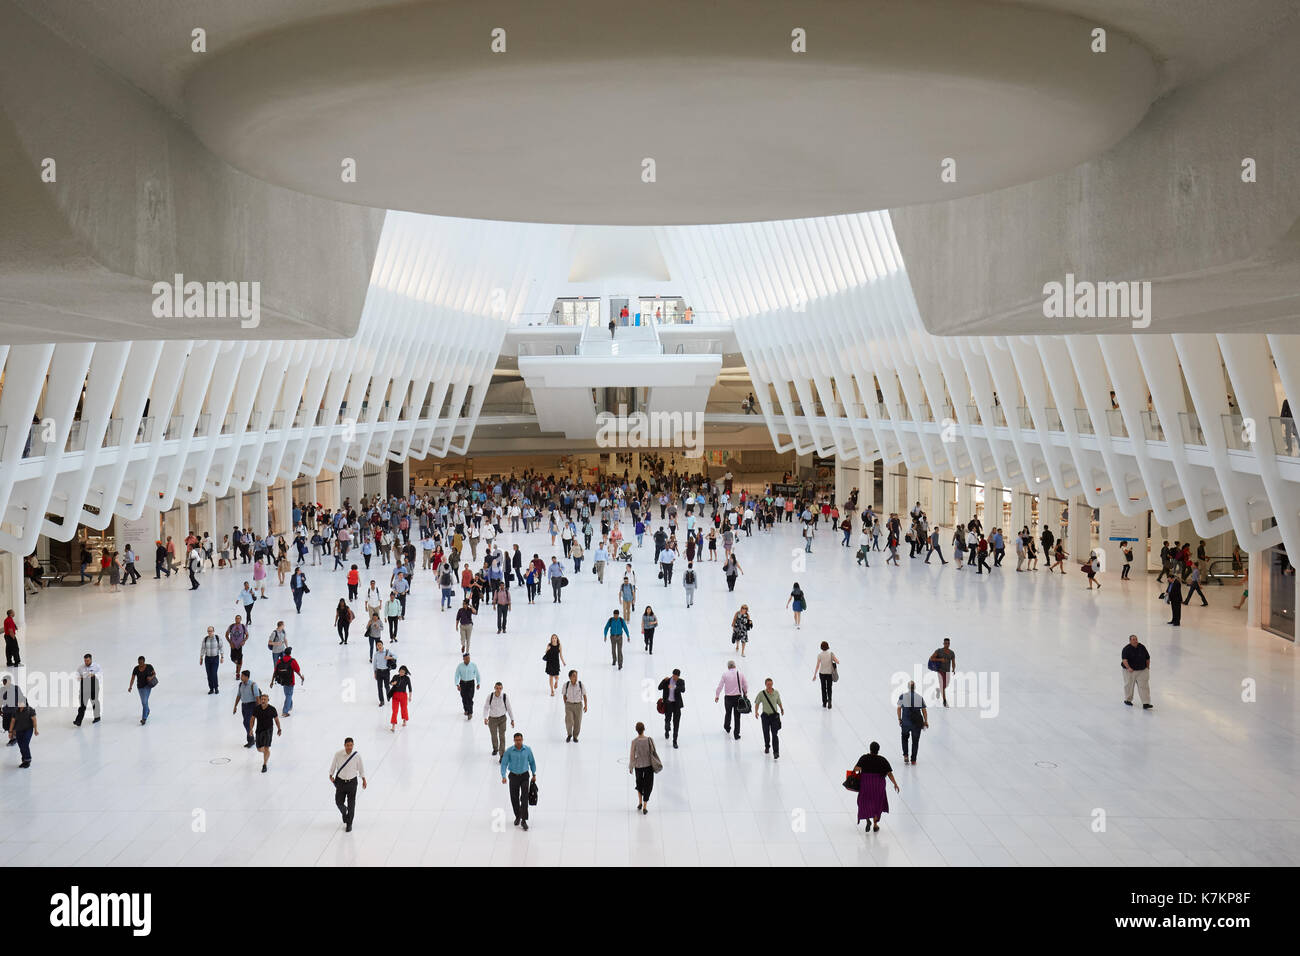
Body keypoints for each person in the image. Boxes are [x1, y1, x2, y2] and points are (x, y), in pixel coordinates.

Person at [853, 742, 899, 832]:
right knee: (877, 804)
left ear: (870, 749)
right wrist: (895, 783)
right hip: (878, 784)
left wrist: (862, 768)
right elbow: (889, 773)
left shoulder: (864, 758)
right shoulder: (882, 760)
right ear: (878, 750)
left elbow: (856, 769)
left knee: (864, 802)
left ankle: (867, 819)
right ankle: (875, 825)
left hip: (866, 783)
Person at [500, 732, 537, 830]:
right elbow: (504, 764)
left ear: (522, 740)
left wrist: (534, 774)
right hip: (513, 776)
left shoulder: (527, 750)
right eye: (516, 740)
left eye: (520, 740)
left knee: (524, 798)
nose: (518, 742)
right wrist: (503, 776)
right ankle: (518, 816)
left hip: (525, 776)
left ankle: (524, 820)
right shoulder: (509, 751)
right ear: (514, 741)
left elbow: (532, 762)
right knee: (514, 797)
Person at [329, 737, 367, 832]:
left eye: (351, 745)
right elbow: (333, 765)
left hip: (352, 783)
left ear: (353, 745)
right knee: (338, 802)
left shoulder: (357, 756)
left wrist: (363, 779)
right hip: (341, 782)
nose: (349, 747)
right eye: (347, 745)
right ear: (344, 745)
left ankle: (349, 824)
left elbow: (361, 768)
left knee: (351, 804)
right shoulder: (338, 754)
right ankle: (344, 811)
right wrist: (331, 774)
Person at [629, 722, 661, 814]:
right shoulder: (649, 740)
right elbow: (654, 751)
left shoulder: (634, 742)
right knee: (648, 785)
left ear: (636, 730)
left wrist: (631, 767)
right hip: (648, 766)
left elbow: (632, 756)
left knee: (639, 783)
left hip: (638, 766)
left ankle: (639, 802)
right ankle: (645, 806)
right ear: (644, 729)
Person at [714, 661, 748, 740]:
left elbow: (720, 686)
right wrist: (745, 693)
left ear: (728, 667)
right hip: (738, 697)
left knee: (728, 713)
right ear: (735, 666)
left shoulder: (725, 674)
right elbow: (745, 684)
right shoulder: (740, 673)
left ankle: (727, 727)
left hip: (728, 697)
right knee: (737, 716)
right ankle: (736, 734)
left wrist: (717, 695)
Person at [897, 680, 928, 764]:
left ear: (908, 687)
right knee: (915, 741)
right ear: (915, 687)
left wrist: (899, 719)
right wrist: (925, 721)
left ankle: (906, 755)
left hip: (906, 723)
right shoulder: (919, 697)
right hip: (916, 724)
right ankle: (913, 760)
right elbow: (924, 711)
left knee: (904, 738)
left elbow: (899, 708)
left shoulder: (902, 697)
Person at [249, 693, 281, 772]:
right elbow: (252, 719)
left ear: (268, 700)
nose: (263, 701)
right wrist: (251, 729)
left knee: (266, 747)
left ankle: (264, 764)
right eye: (262, 699)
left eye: (264, 699)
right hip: (259, 730)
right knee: (259, 749)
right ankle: (266, 752)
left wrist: (279, 729)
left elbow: (276, 720)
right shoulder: (257, 709)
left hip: (268, 730)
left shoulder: (272, 709)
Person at [754, 677, 785, 758]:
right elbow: (757, 703)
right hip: (765, 716)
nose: (770, 686)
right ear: (765, 685)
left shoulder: (776, 693)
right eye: (768, 684)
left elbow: (779, 702)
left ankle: (776, 752)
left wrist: (781, 709)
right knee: (766, 732)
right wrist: (756, 711)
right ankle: (767, 746)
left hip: (774, 717)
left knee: (775, 734)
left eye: (771, 684)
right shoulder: (761, 694)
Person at [483, 681, 515, 755]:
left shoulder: (504, 696)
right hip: (492, 719)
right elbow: (486, 707)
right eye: (497, 688)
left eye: (500, 688)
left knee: (502, 736)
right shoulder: (490, 696)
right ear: (494, 688)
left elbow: (509, 708)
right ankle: (495, 748)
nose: (498, 690)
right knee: (494, 735)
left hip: (502, 719)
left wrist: (512, 719)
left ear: (502, 689)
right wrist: (485, 717)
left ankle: (502, 753)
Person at [1122, 634, 1153, 709]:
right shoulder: (1126, 649)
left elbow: (1147, 658)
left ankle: (1146, 703)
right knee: (1129, 685)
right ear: (1130, 641)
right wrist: (1128, 668)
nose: (1135, 641)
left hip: (1142, 670)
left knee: (1144, 686)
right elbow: (1124, 660)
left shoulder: (1141, 647)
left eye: (1136, 639)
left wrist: (1147, 667)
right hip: (1130, 671)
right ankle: (1128, 700)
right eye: (1133, 639)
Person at [233, 670, 262, 747]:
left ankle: (251, 739)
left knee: (247, 722)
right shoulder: (240, 685)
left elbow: (257, 697)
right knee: (247, 723)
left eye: (242, 676)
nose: (241, 677)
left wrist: (259, 709)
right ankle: (251, 737)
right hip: (244, 706)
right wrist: (235, 706)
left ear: (246, 677)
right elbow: (239, 695)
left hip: (251, 706)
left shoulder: (253, 685)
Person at [272, 647, 304, 716]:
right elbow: (297, 670)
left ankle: (289, 706)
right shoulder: (292, 661)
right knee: (289, 695)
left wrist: (272, 681)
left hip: (283, 680)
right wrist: (301, 676)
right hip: (290, 681)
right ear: (290, 653)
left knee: (288, 694)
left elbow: (275, 671)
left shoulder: (280, 661)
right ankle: (285, 711)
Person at [7, 698, 37, 768]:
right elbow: (13, 721)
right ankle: (24, 758)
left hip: (28, 730)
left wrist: (35, 729)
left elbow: (34, 720)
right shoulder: (16, 711)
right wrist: (10, 731)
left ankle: (27, 759)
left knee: (24, 743)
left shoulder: (30, 710)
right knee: (21, 745)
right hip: (18, 731)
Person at [126, 656, 157, 725]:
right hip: (140, 687)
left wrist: (151, 677)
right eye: (139, 662)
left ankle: (144, 718)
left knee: (144, 701)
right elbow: (133, 678)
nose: (140, 664)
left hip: (148, 686)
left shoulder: (149, 666)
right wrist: (130, 687)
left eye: (141, 662)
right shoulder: (136, 669)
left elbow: (154, 674)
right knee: (144, 702)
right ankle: (147, 710)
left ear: (144, 662)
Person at [74, 653, 103, 726]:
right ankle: (78, 721)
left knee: (94, 702)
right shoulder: (81, 667)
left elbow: (100, 674)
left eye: (88, 661)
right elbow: (77, 675)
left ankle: (97, 717)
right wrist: (79, 677)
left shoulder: (96, 666)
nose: (86, 662)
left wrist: (94, 675)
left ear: (91, 659)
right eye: (85, 661)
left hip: (94, 687)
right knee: (82, 705)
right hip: (84, 687)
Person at [561, 669, 588, 742]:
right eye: (573, 676)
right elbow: (564, 695)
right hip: (569, 705)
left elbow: (584, 695)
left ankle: (575, 736)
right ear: (570, 677)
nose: (575, 677)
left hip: (578, 705)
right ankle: (569, 734)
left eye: (576, 676)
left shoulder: (580, 684)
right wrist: (566, 704)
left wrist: (586, 705)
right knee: (569, 720)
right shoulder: (566, 685)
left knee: (577, 722)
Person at [928, 638, 956, 707]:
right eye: (945, 643)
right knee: (942, 685)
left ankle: (938, 690)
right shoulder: (939, 651)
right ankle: (944, 701)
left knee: (946, 685)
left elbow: (953, 662)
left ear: (949, 644)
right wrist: (940, 659)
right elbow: (931, 658)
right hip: (940, 670)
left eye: (948, 643)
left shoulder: (951, 653)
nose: (947, 645)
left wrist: (953, 669)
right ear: (943, 643)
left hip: (947, 671)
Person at [454, 652, 480, 719]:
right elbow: (456, 676)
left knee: (469, 698)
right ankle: (466, 709)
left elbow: (477, 674)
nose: (468, 659)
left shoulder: (473, 665)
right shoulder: (460, 666)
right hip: (463, 683)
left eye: (469, 658)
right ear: (463, 659)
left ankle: (470, 712)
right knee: (464, 698)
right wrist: (457, 684)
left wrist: (478, 683)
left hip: (471, 683)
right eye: (466, 658)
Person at [813, 641, 838, 709]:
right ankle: (829, 700)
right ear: (827, 647)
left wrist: (815, 675)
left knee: (823, 688)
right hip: (829, 673)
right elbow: (837, 661)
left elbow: (818, 666)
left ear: (821, 647)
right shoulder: (831, 654)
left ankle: (824, 702)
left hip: (822, 673)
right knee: (829, 688)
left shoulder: (820, 655)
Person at [388, 665, 413, 732]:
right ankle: (393, 725)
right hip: (395, 695)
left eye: (403, 672)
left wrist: (410, 697)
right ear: (399, 671)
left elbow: (410, 688)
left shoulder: (407, 678)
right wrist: (393, 683)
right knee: (395, 710)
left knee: (404, 709)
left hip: (403, 696)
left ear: (405, 672)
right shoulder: (395, 676)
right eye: (400, 671)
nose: (401, 673)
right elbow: (390, 683)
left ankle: (404, 720)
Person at [373, 640, 395, 707]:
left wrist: (389, 657)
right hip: (379, 672)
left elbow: (396, 656)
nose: (379, 646)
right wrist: (375, 673)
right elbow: (374, 664)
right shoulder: (376, 654)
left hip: (386, 672)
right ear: (376, 646)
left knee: (387, 686)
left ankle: (388, 696)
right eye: (378, 645)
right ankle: (381, 701)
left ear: (382, 645)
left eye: (380, 645)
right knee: (379, 687)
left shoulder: (387, 652)